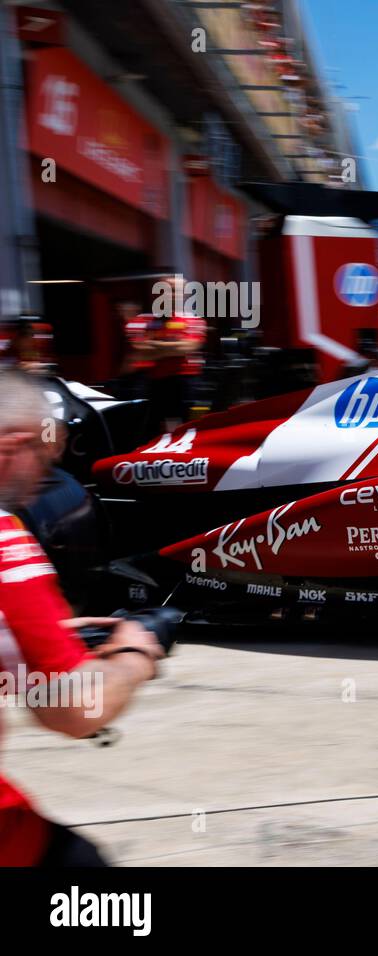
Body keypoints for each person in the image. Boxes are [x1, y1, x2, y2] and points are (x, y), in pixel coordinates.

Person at [0, 372, 163, 866]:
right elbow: (73, 707)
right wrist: (137, 651)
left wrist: (33, 638)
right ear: (14, 448)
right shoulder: (5, 541)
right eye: (44, 462)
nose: (39, 484)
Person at [127, 275, 207, 435]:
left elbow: (188, 347)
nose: (171, 294)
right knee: (148, 429)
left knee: (185, 429)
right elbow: (141, 350)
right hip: (153, 383)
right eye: (166, 290)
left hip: (184, 384)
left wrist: (156, 346)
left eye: (175, 290)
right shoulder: (143, 321)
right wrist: (174, 347)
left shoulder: (194, 321)